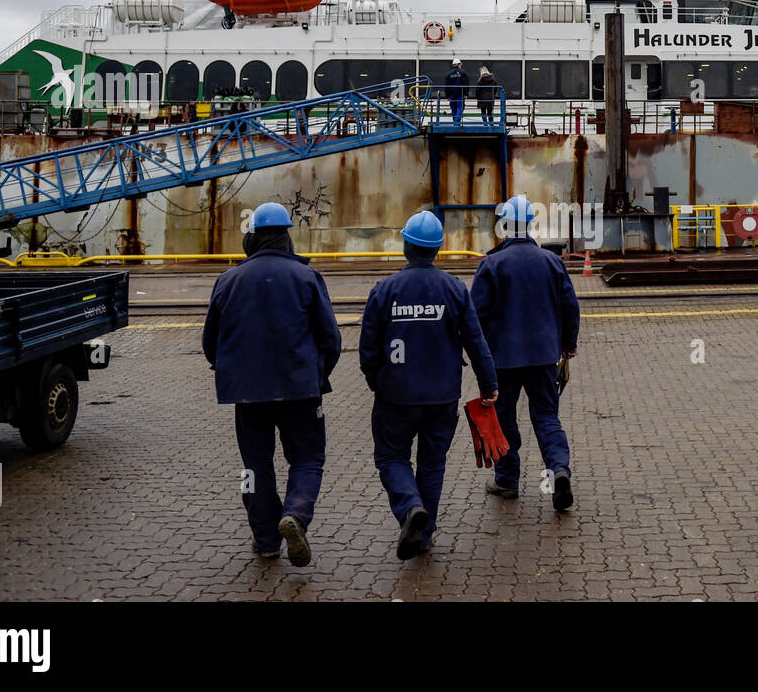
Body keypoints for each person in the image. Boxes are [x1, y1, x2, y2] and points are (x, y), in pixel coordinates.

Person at [202, 202, 341, 567]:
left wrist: (231, 372)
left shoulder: (228, 280)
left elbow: (210, 342)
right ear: (285, 236)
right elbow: (331, 338)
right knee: (308, 458)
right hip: (300, 389)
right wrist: (318, 374)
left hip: (247, 394)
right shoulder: (306, 277)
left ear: (253, 237)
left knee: (255, 464)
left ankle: (265, 540)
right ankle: (295, 514)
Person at [360, 210, 498, 559]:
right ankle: (424, 534)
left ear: (406, 245)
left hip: (396, 395)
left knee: (391, 457)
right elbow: (475, 341)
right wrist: (488, 384)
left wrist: (376, 381)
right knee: (433, 464)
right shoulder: (453, 288)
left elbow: (368, 348)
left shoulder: (384, 290)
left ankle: (409, 509)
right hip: (442, 396)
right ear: (437, 249)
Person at [470, 195, 580, 512]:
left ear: (504, 224)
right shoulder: (551, 262)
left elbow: (475, 316)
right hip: (544, 357)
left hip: (502, 360)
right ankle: (559, 469)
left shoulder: (491, 264)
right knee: (547, 417)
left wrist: (476, 357)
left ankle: (506, 481)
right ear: (531, 223)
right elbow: (570, 307)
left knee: (503, 420)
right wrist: (568, 343)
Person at [443, 59, 470, 124]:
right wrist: (466, 94)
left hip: (452, 95)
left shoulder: (449, 74)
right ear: (459, 64)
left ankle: (455, 122)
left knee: (453, 109)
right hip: (460, 94)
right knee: (460, 108)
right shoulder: (463, 73)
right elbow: (466, 84)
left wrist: (447, 95)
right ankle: (456, 122)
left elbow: (446, 85)